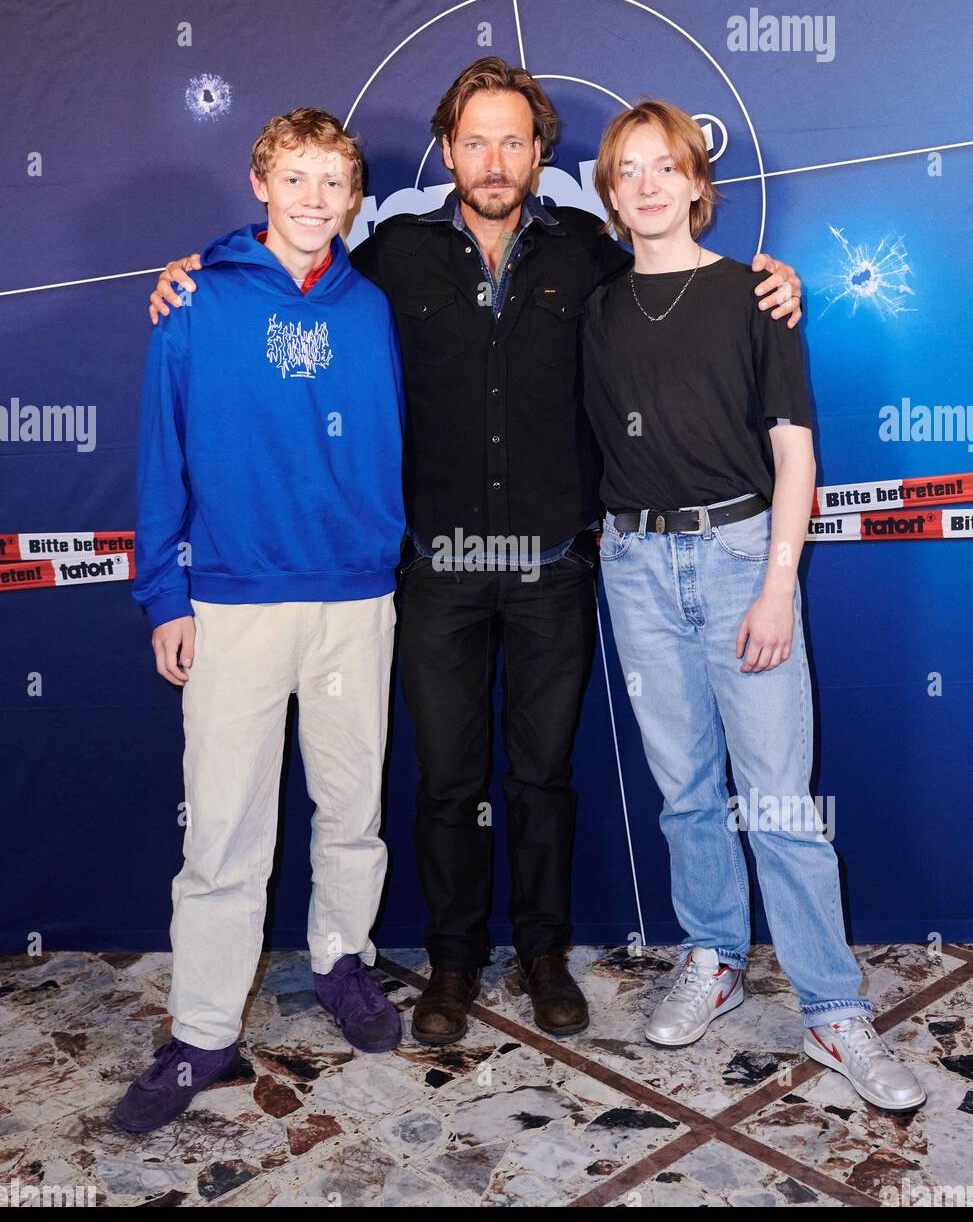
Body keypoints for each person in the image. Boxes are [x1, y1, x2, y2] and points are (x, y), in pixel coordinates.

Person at [146, 58, 804, 1047]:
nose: (493, 159)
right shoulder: (390, 257)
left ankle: (543, 954)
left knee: (542, 777)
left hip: (553, 566)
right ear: (446, 150)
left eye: (513, 139)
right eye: (474, 139)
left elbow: (681, 279)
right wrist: (189, 270)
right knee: (446, 781)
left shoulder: (592, 252)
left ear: (541, 152)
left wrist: (772, 276)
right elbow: (289, 276)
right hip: (434, 570)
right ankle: (452, 961)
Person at [581, 99, 925, 1111]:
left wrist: (778, 582)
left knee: (779, 801)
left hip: (739, 559)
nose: (645, 184)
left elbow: (795, 453)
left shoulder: (755, 297)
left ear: (697, 182)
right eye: (625, 170)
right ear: (609, 195)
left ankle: (831, 1010)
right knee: (684, 787)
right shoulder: (593, 310)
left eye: (663, 166)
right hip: (633, 563)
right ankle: (714, 955)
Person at [115, 108, 406, 1134]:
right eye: (297, 178)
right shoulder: (194, 299)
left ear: (355, 196)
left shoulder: (372, 306)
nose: (316, 198)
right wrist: (164, 593)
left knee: (350, 804)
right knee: (226, 828)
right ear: (259, 183)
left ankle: (341, 961)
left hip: (354, 600)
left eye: (335, 181)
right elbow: (161, 456)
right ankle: (201, 1031)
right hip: (233, 603)